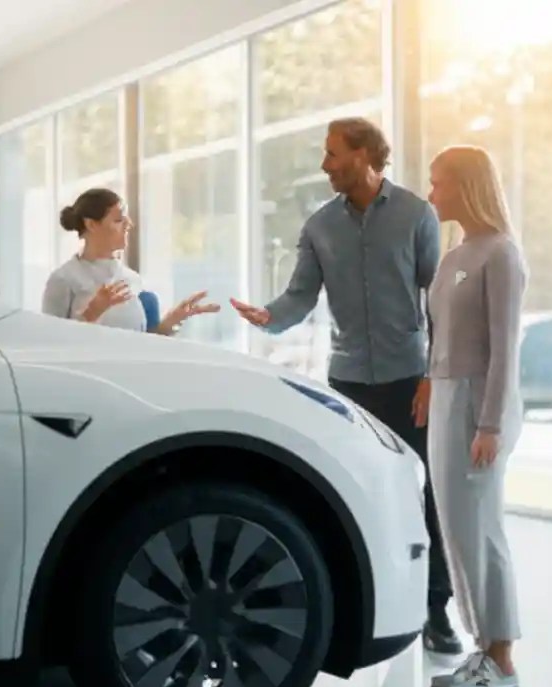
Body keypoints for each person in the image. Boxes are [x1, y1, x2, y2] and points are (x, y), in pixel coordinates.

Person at [229, 117, 464, 655]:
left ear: (363, 155)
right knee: (351, 491)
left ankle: (436, 608)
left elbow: (437, 300)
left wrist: (432, 373)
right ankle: (362, 599)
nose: (325, 164)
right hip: (349, 382)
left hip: (410, 379)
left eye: (333, 154)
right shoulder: (318, 226)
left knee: (428, 494)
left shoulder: (415, 214)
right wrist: (267, 315)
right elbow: (299, 297)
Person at [421, 145, 527, 687]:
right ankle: (480, 648)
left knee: (482, 530)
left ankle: (503, 657)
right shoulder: (456, 254)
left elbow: (505, 352)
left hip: (476, 406)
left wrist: (488, 424)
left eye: (439, 183)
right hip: (445, 398)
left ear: (466, 187)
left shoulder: (501, 256)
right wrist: (428, 384)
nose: (431, 193)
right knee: (456, 531)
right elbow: (439, 335)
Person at [43, 188, 218, 334]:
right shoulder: (63, 279)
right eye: (119, 220)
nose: (129, 225)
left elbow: (142, 345)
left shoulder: (131, 279)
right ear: (91, 225)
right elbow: (50, 346)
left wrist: (172, 322)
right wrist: (91, 314)